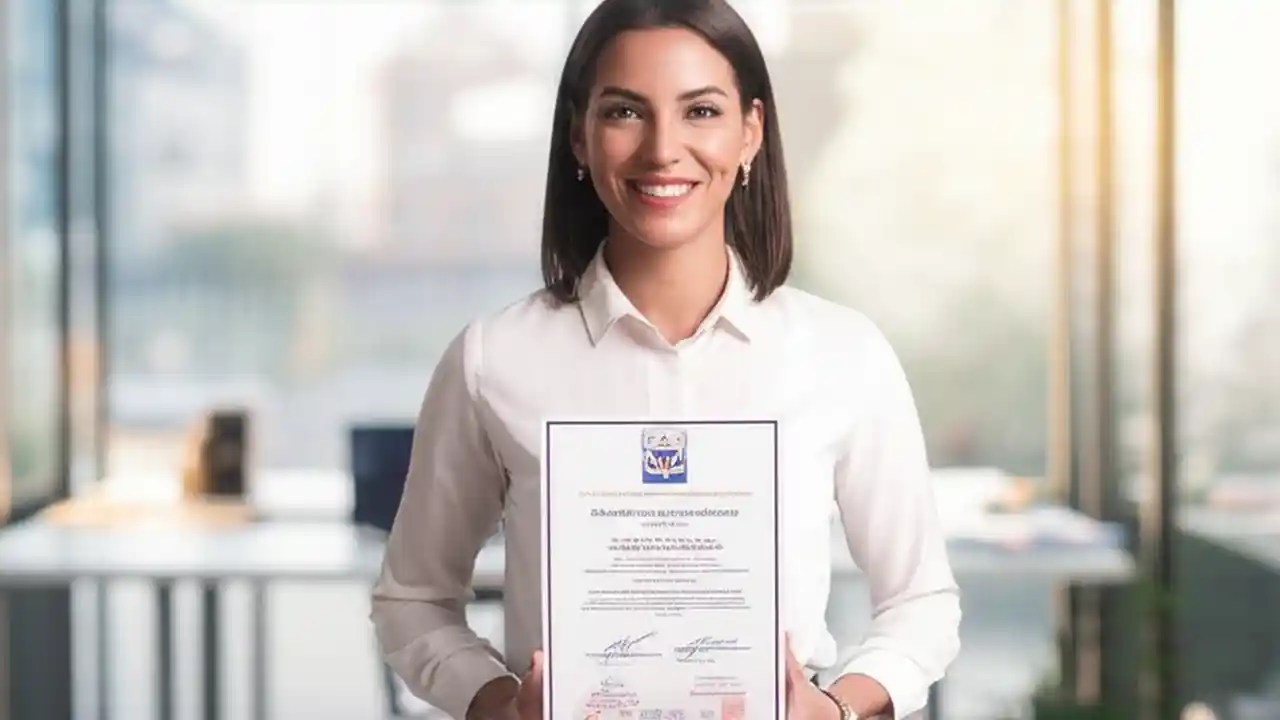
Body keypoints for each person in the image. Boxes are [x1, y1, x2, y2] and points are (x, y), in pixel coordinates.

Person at [370, 1, 961, 718]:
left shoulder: (842, 355)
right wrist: (499, 705)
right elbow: (413, 602)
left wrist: (834, 710)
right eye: (625, 112)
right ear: (578, 139)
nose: (662, 149)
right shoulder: (495, 359)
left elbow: (921, 604)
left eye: (701, 112)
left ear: (751, 132)